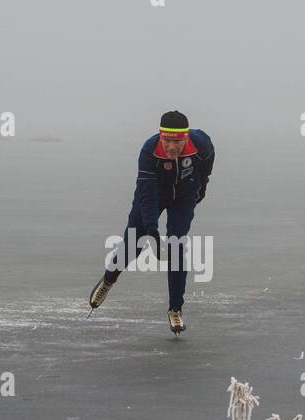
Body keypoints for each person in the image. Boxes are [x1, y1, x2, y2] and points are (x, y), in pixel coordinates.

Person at [88, 110, 214, 333]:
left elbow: (207, 165)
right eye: (167, 141)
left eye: (177, 142)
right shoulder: (149, 151)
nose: (172, 148)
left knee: (176, 246)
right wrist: (152, 229)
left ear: (185, 138)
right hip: (153, 194)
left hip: (184, 195)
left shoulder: (201, 144)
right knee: (133, 244)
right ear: (160, 136)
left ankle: (175, 309)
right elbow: (147, 195)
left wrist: (201, 185)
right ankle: (108, 280)